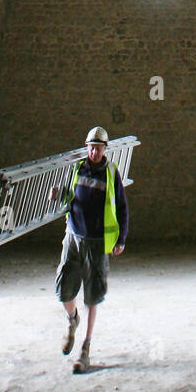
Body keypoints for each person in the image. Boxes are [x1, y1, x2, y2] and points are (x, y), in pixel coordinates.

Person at [48, 126, 128, 373]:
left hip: (97, 241)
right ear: (86, 147)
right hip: (73, 237)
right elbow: (67, 197)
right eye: (91, 147)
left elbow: (122, 209)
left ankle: (86, 348)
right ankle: (72, 321)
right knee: (64, 290)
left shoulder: (111, 174)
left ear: (105, 149)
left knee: (93, 295)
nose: (94, 151)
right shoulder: (76, 169)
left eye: (99, 148)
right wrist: (57, 194)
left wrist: (121, 239)